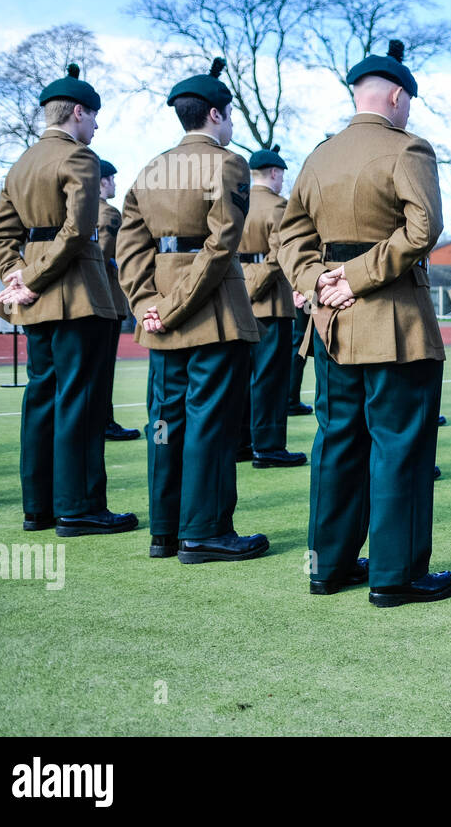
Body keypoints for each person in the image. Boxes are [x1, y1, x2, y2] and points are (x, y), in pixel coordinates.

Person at [277, 40, 451, 605]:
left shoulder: (318, 156)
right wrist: (355, 277)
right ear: (398, 96)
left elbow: (288, 235)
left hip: (331, 322)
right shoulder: (409, 150)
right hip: (393, 319)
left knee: (337, 443)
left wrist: (316, 283)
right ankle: (395, 576)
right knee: (399, 445)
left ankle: (328, 567)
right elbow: (423, 230)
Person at [116, 58, 268, 564]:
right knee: (211, 423)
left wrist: (146, 305)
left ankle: (164, 530)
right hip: (211, 314)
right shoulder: (228, 163)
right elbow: (223, 243)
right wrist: (174, 306)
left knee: (165, 421)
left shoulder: (147, 169)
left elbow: (129, 247)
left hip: (160, 315)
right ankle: (204, 533)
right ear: (218, 115)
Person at [0, 63, 137, 538]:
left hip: (35, 299)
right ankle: (80, 508)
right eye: (93, 116)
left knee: (42, 397)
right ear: (76, 112)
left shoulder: (22, 163)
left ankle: (40, 508)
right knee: (82, 401)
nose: (95, 126)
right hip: (75, 294)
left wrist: (16, 275)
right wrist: (32, 278)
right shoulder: (81, 158)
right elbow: (77, 231)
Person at [236, 144, 306, 469]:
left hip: (235, 298)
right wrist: (255, 286)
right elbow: (280, 255)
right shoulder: (279, 207)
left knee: (240, 376)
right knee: (270, 378)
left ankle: (242, 441)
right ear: (275, 174)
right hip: (270, 303)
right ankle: (268, 445)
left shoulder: (235, 202)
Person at [96, 159, 142, 442]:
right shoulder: (109, 215)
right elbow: (102, 257)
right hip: (107, 301)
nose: (114, 184)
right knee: (103, 368)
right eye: (111, 179)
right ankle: (104, 421)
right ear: (103, 181)